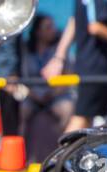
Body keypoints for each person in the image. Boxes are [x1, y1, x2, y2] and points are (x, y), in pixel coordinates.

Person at [44, 0, 107, 130]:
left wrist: (59, 56)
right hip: (95, 68)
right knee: (81, 119)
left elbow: (74, 22)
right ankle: (65, 150)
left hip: (97, 68)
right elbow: (95, 27)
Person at [19, 15, 74, 157]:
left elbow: (67, 78)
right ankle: (22, 152)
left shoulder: (59, 51)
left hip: (56, 95)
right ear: (37, 31)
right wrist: (33, 94)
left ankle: (62, 151)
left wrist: (52, 94)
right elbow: (22, 78)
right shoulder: (26, 50)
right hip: (32, 95)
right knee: (22, 111)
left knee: (67, 109)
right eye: (48, 27)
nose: (53, 30)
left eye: (53, 26)